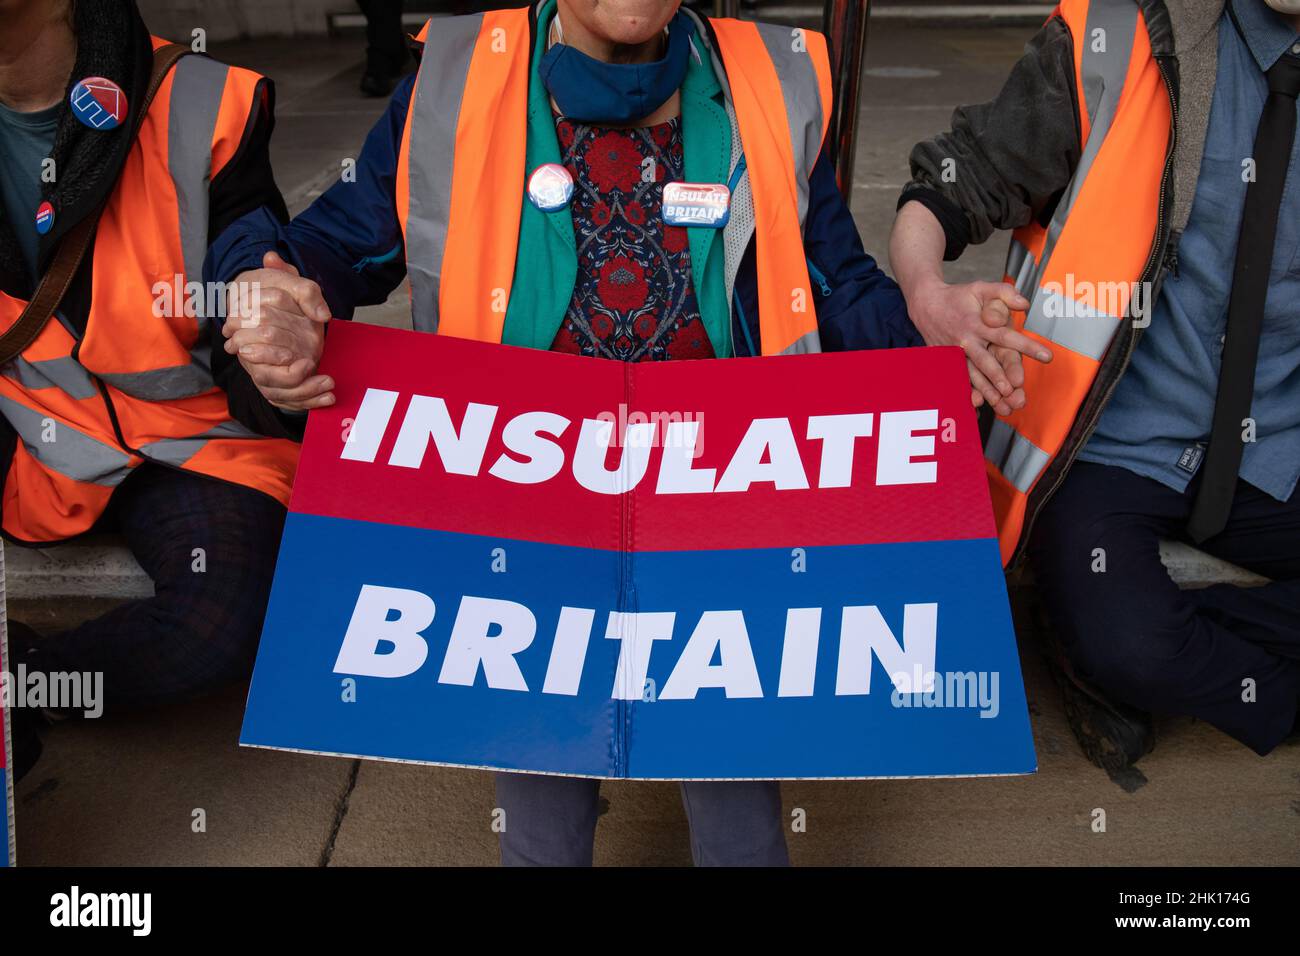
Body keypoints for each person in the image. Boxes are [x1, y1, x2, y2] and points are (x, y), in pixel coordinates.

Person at [208, 0, 956, 865]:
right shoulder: (459, 72)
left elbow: (838, 284)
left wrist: (931, 332)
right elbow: (329, 246)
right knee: (541, 814)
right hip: (529, 506)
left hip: (718, 495)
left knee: (740, 808)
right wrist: (268, 286)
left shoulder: (770, 77)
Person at [889, 0, 1300, 770]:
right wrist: (927, 293)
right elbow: (954, 177)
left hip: (1278, 440)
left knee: (1137, 631)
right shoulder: (1124, 36)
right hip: (1106, 435)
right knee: (1130, 643)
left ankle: (1143, 631)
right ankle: (1104, 633)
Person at [0, 0, 305, 779]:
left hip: (195, 439)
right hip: (28, 432)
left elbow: (248, 257)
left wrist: (272, 344)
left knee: (215, 625)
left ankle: (21, 686)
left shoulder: (197, 98)